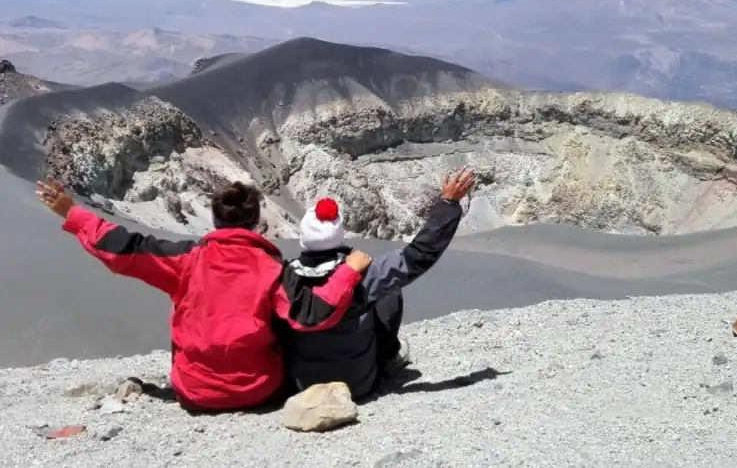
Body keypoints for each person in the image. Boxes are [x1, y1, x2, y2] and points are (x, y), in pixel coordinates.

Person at [35, 177, 373, 413]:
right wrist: (350, 270)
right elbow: (312, 313)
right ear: (257, 224)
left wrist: (73, 213)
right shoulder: (273, 268)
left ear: (214, 220)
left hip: (194, 391)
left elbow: (123, 248)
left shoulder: (185, 260)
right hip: (259, 389)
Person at [280, 167, 476, 401]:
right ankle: (390, 359)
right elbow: (418, 255)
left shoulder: (284, 277)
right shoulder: (364, 276)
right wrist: (449, 204)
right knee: (388, 293)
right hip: (357, 384)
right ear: (339, 234)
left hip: (302, 386)